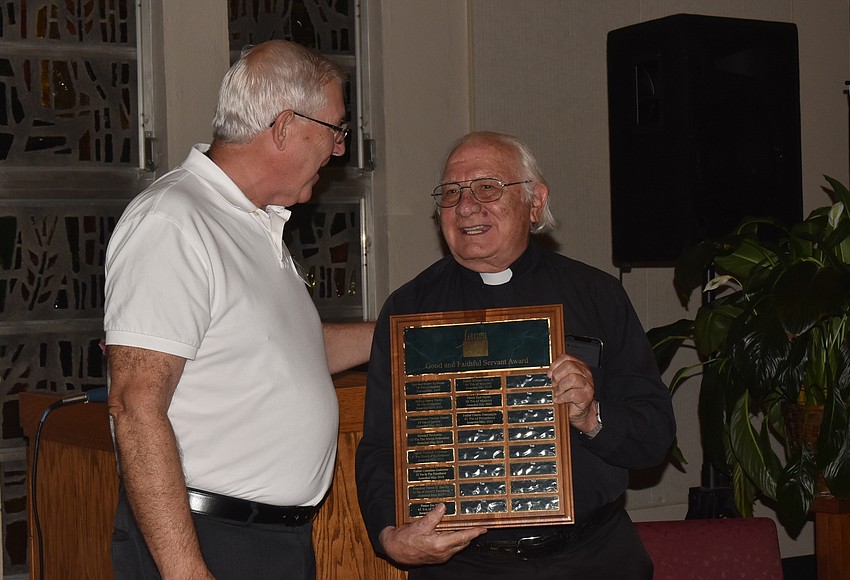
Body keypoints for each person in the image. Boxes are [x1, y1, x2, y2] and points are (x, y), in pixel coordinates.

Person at [104, 40, 374, 580]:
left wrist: (410, 327)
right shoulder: (174, 222)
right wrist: (186, 572)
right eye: (335, 130)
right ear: (283, 128)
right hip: (207, 541)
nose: (340, 149)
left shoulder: (255, 222)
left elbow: (297, 352)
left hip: (272, 541)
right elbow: (136, 406)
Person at [355, 131, 675, 579]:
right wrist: (390, 536)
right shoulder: (410, 310)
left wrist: (591, 417)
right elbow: (379, 448)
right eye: (451, 193)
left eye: (487, 188)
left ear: (535, 202)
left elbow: (655, 435)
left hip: (592, 559)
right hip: (465, 567)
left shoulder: (598, 296)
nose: (466, 207)